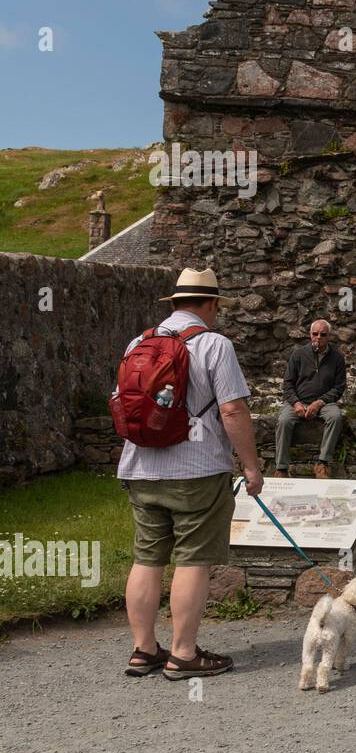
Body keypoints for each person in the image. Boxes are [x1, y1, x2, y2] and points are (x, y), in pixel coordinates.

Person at [116, 267, 264, 679]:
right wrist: (251, 466)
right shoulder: (214, 344)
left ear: (175, 303)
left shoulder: (139, 342)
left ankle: (144, 650)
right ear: (211, 304)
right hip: (196, 468)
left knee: (147, 558)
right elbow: (232, 409)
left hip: (141, 465)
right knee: (193, 560)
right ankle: (183, 654)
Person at [274, 320, 348, 480]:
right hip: (298, 400)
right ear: (310, 334)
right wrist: (295, 403)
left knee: (335, 418)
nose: (318, 337)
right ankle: (281, 468)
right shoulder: (298, 354)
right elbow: (287, 383)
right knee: (284, 420)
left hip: (324, 403)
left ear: (329, 336)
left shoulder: (337, 358)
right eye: (315, 334)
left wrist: (319, 402)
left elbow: (339, 387)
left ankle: (322, 463)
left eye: (323, 334)